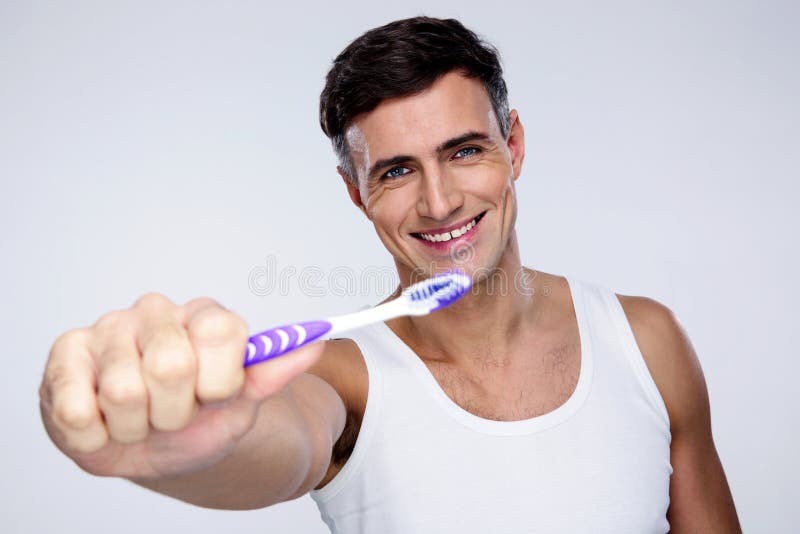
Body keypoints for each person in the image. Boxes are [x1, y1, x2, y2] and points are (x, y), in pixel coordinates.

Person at [39, 16, 742, 533]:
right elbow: (282, 442)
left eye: (464, 151)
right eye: (397, 171)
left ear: (514, 145)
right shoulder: (343, 379)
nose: (439, 203)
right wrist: (183, 451)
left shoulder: (646, 340)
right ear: (356, 193)